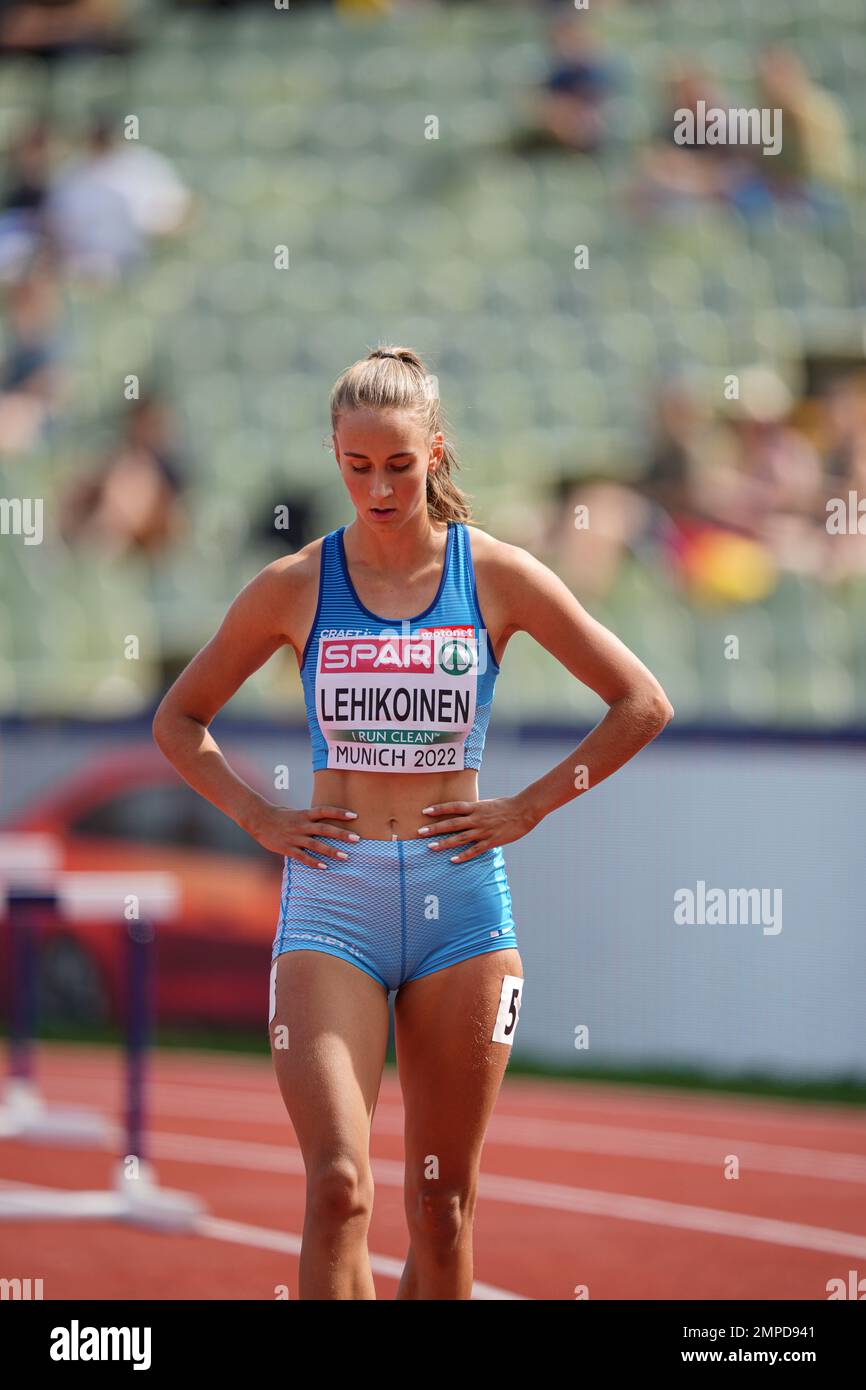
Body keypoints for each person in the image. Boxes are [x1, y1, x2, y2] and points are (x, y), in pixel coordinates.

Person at [151, 344, 673, 1300]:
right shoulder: (296, 584)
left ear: (437, 450)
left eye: (400, 464)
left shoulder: (500, 576)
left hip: (463, 907)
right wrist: (260, 816)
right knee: (339, 1186)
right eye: (357, 467)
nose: (380, 487)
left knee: (443, 1207)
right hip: (331, 902)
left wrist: (528, 807)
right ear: (334, 454)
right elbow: (178, 720)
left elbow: (641, 702)